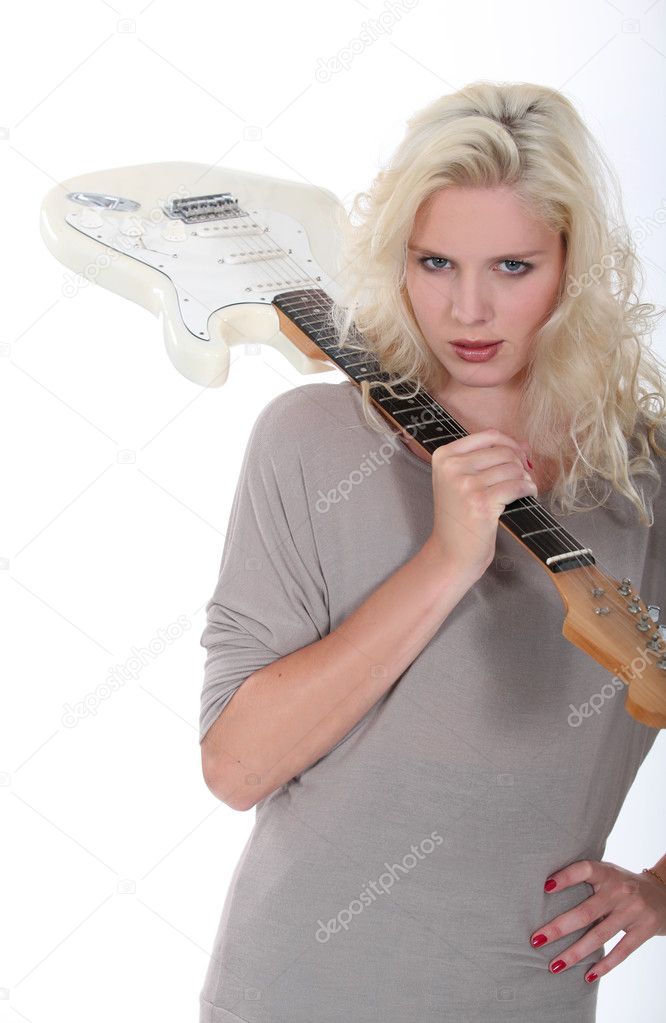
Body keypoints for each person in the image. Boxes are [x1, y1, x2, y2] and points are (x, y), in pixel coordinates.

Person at [197, 81, 666, 1022]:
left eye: (514, 266)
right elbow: (238, 767)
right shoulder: (311, 439)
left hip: (521, 991)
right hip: (292, 987)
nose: (469, 307)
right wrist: (447, 559)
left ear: (575, 265)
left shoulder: (642, 481)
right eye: (436, 262)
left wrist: (660, 887)